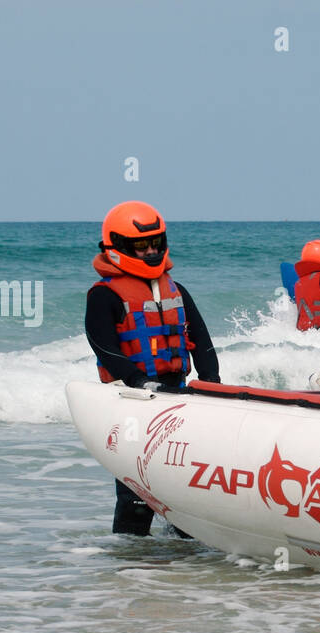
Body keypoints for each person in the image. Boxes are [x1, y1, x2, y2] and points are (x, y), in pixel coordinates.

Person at [85, 200, 221, 535]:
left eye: (155, 244)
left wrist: (212, 383)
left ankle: (182, 566)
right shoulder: (103, 296)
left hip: (178, 398)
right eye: (140, 246)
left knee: (183, 487)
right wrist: (139, 381)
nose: (149, 252)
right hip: (132, 404)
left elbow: (201, 341)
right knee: (135, 496)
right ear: (115, 246)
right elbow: (104, 348)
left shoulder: (176, 290)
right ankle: (131, 566)